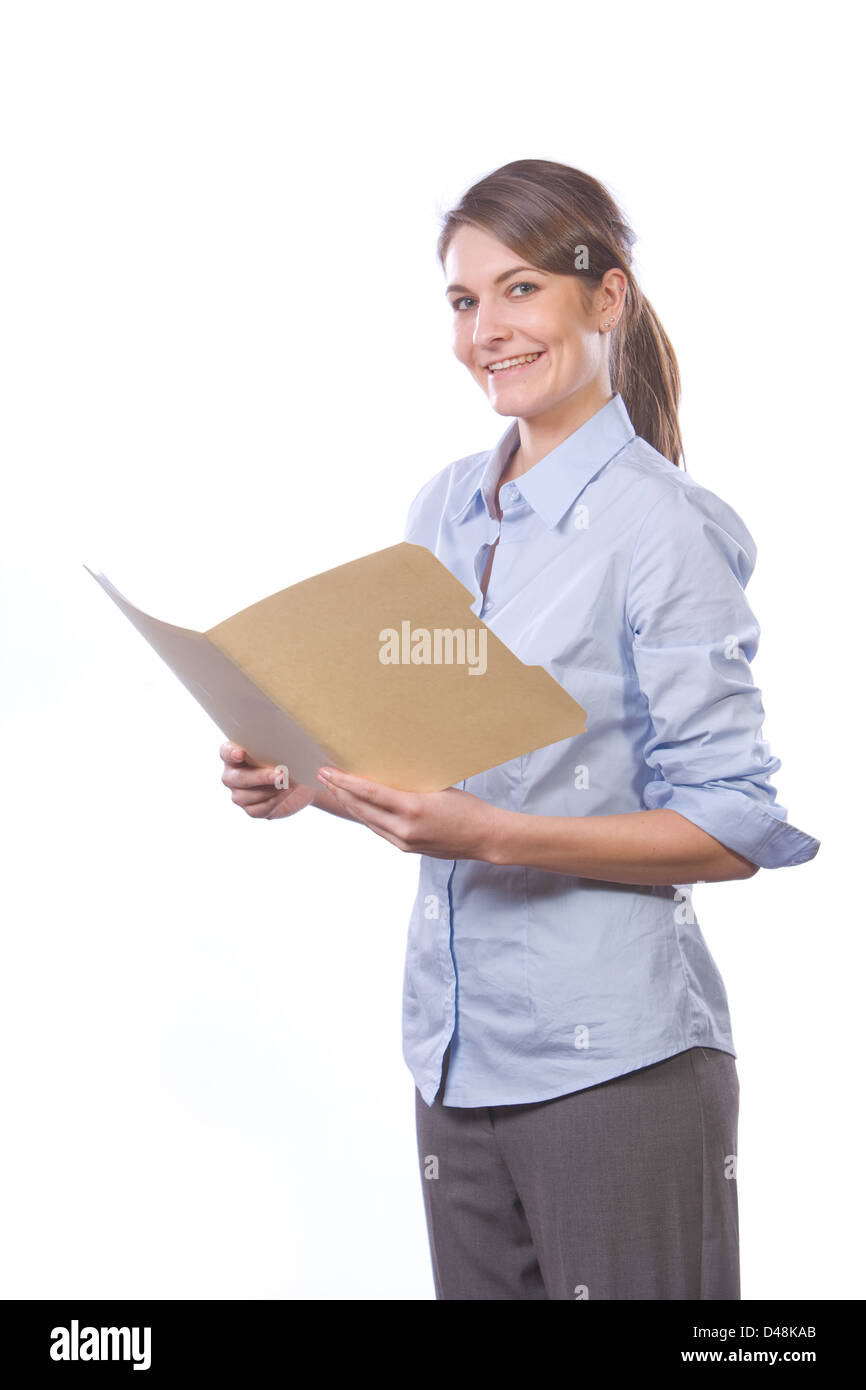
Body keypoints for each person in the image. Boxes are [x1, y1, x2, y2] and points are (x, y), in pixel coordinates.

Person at [218, 159, 821, 1300]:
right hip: (455, 1050)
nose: (484, 330)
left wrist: (495, 835)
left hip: (615, 1063)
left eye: (520, 289)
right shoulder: (444, 508)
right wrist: (308, 774)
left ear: (606, 299)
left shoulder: (664, 528)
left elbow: (733, 822)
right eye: (461, 300)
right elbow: (427, 756)